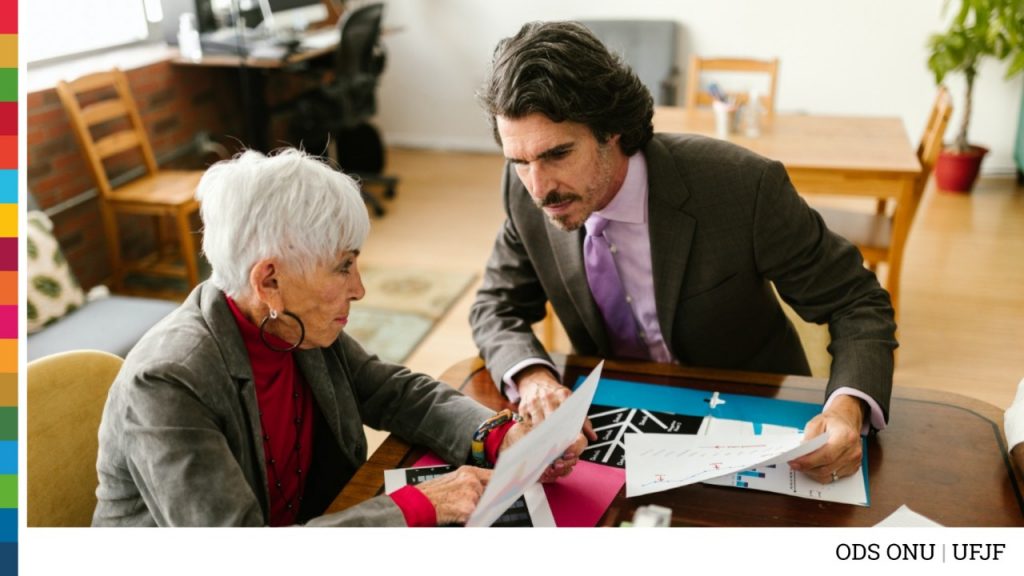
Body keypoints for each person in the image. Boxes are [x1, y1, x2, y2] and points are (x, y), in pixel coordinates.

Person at [470, 21, 897, 485]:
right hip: (613, 427)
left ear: (611, 131)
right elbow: (496, 305)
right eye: (519, 161)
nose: (538, 187)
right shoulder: (524, 192)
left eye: (557, 154)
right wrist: (533, 376)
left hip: (757, 424)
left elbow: (856, 302)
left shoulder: (742, 188)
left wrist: (847, 410)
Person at [93, 149, 584, 527]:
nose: (360, 288)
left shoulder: (289, 326)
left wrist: (500, 434)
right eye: (343, 267)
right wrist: (413, 508)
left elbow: (394, 392)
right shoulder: (167, 382)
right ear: (269, 282)